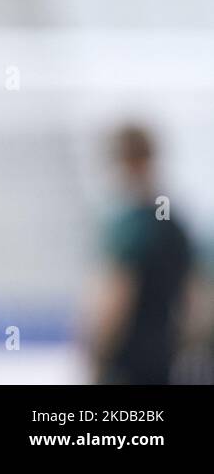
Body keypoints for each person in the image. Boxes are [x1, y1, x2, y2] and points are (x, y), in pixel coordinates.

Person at [87, 123, 193, 384]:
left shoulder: (132, 226)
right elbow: (194, 300)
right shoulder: (174, 223)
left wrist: (96, 352)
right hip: (165, 357)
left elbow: (117, 296)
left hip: (125, 362)